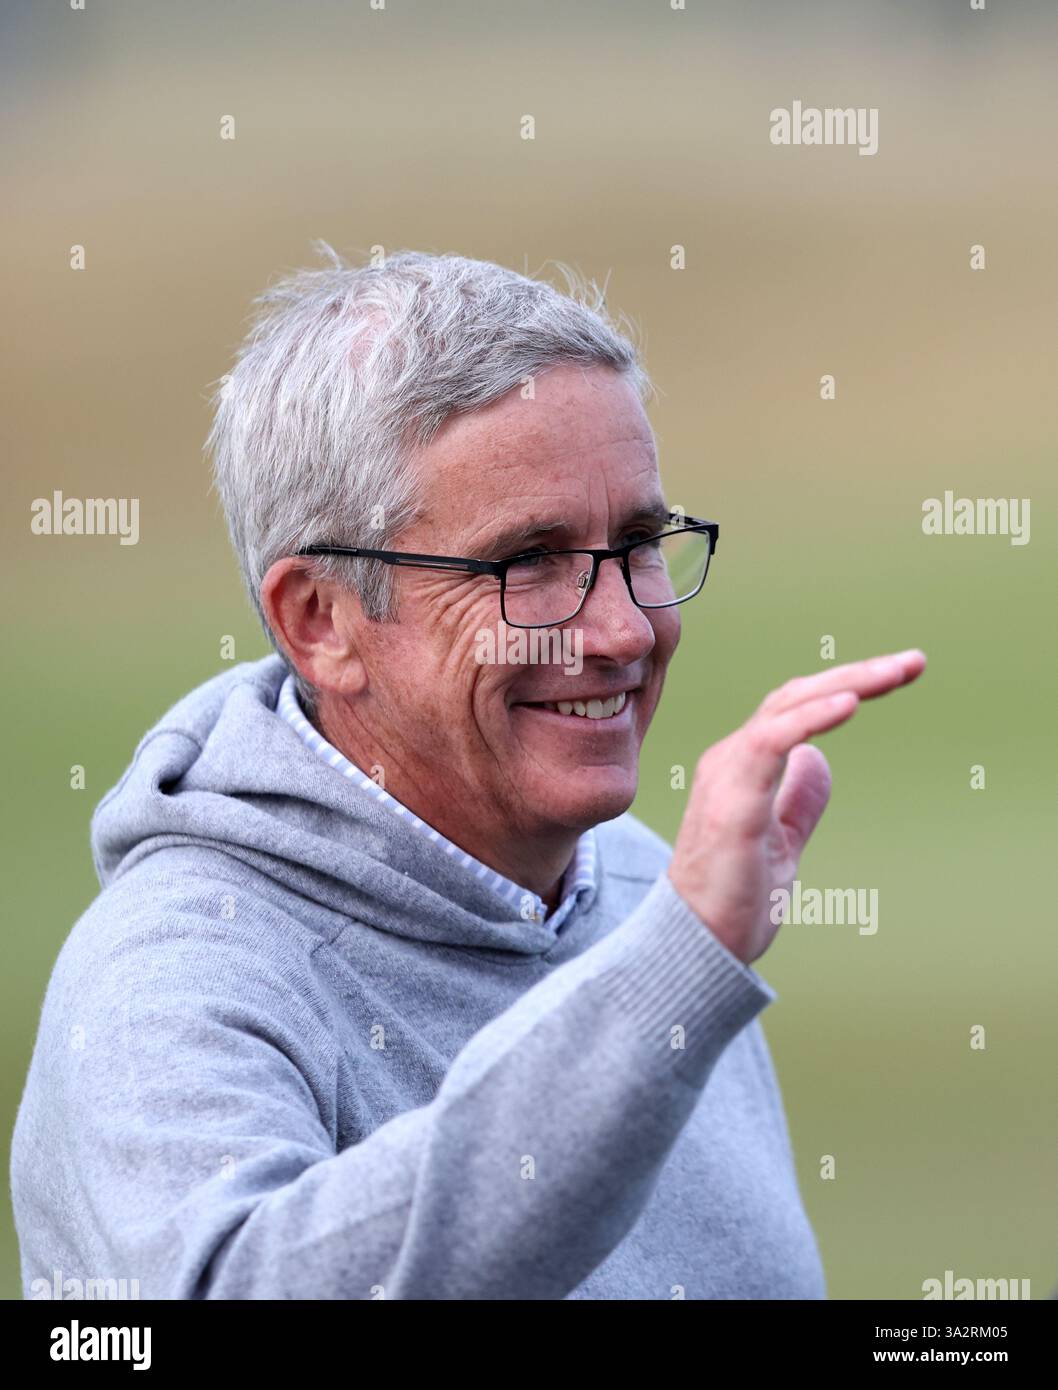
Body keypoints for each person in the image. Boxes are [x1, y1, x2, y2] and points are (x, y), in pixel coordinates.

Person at [11, 247, 925, 1299]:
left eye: (636, 542)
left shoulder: (637, 890)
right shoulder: (174, 977)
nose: (624, 628)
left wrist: (672, 952)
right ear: (321, 621)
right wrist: (672, 972)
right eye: (528, 562)